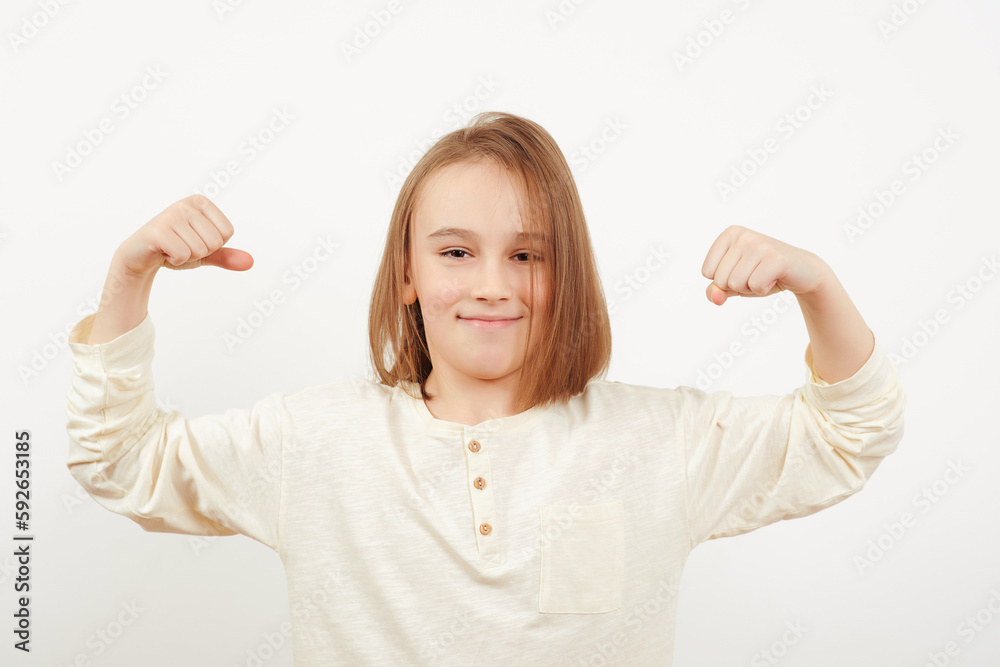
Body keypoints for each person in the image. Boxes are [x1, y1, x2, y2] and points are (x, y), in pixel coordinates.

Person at [65, 111, 906, 665]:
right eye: (456, 251)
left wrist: (816, 286)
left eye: (527, 254)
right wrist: (128, 276)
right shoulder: (311, 443)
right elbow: (120, 460)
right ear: (408, 274)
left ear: (563, 271)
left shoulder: (659, 441)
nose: (493, 285)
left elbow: (848, 436)